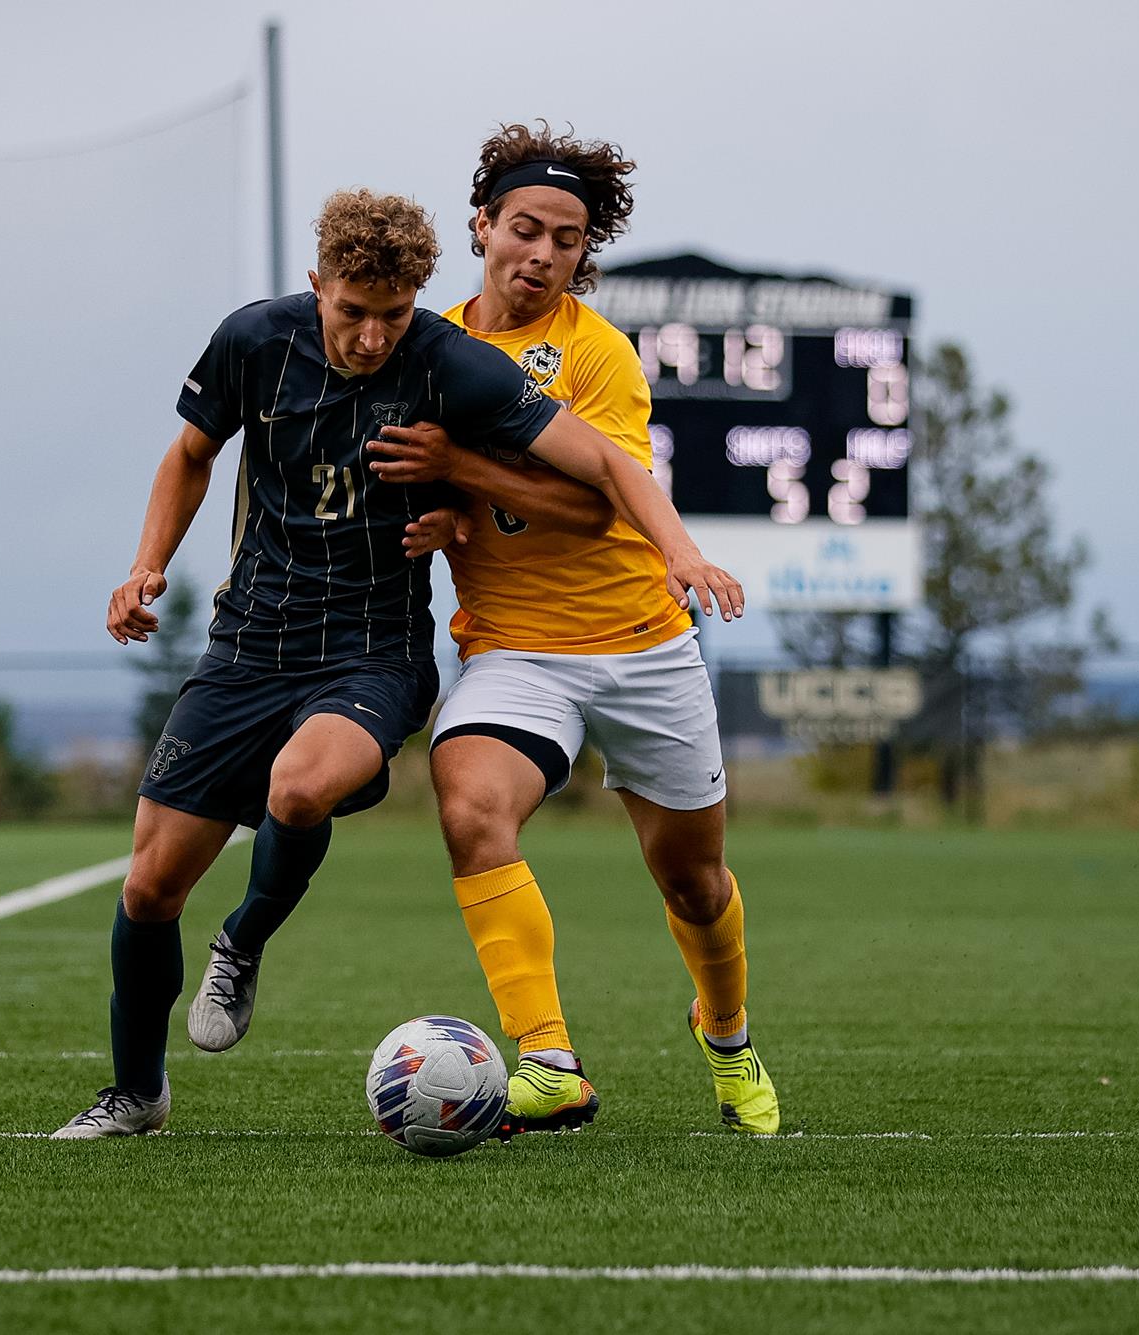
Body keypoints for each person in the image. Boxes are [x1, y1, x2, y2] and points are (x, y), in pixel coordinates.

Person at [54, 187, 739, 1138]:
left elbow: (610, 470)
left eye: (393, 315)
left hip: (369, 652)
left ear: (419, 298)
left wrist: (680, 549)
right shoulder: (254, 342)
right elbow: (190, 455)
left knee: (299, 789)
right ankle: (136, 1091)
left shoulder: (452, 363)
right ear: (316, 286)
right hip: (247, 644)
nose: (373, 337)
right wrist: (146, 565)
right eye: (352, 313)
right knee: (148, 885)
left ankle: (242, 940)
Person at [365, 123, 780, 1136]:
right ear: (480, 227)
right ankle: (547, 1062)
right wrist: (443, 522)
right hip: (513, 650)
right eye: (524, 229)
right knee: (468, 806)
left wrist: (461, 475)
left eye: (565, 239)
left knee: (691, 881)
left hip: (640, 644)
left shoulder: (595, 355)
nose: (542, 254)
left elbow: (592, 506)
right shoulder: (425, 346)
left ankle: (724, 1036)